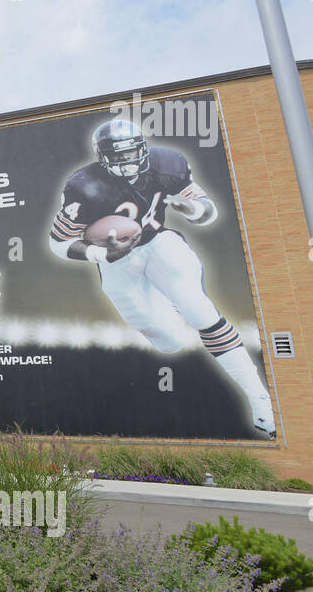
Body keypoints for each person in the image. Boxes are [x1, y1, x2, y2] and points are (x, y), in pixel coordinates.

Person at [47, 118, 275, 438]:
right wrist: (102, 254)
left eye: (132, 154)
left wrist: (193, 210)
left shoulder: (167, 164)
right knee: (171, 342)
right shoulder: (83, 186)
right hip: (117, 262)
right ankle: (166, 313)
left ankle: (260, 399)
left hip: (158, 242)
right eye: (118, 157)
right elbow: (57, 243)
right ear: (102, 158)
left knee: (200, 311)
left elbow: (208, 210)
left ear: (143, 148)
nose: (127, 163)